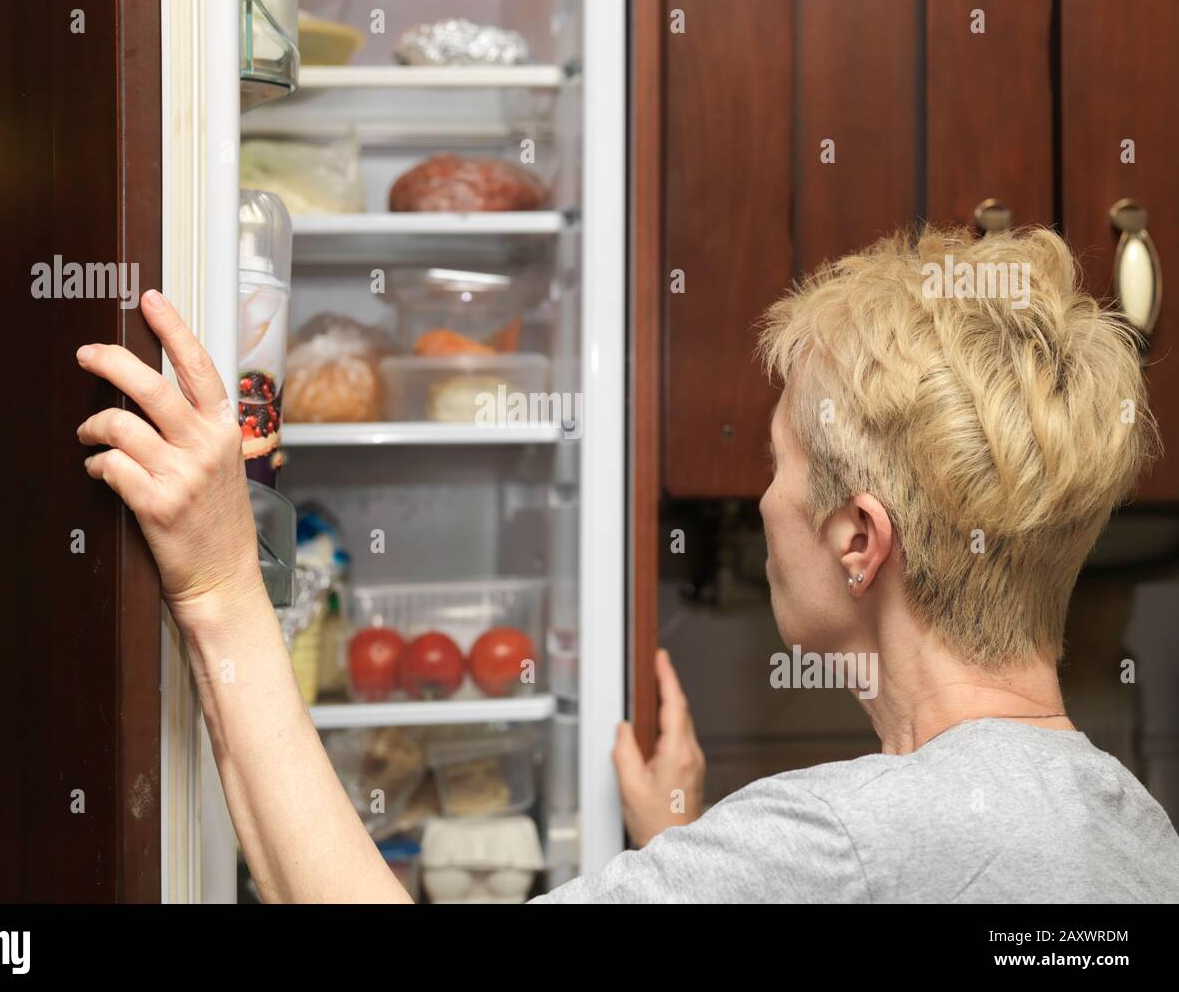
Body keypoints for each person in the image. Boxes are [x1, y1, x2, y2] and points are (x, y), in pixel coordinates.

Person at [75, 225, 1179, 903]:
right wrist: (693, 859)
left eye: (778, 461)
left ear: (859, 539)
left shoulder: (835, 843)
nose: (759, 498)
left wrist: (220, 584)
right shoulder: (1131, 827)